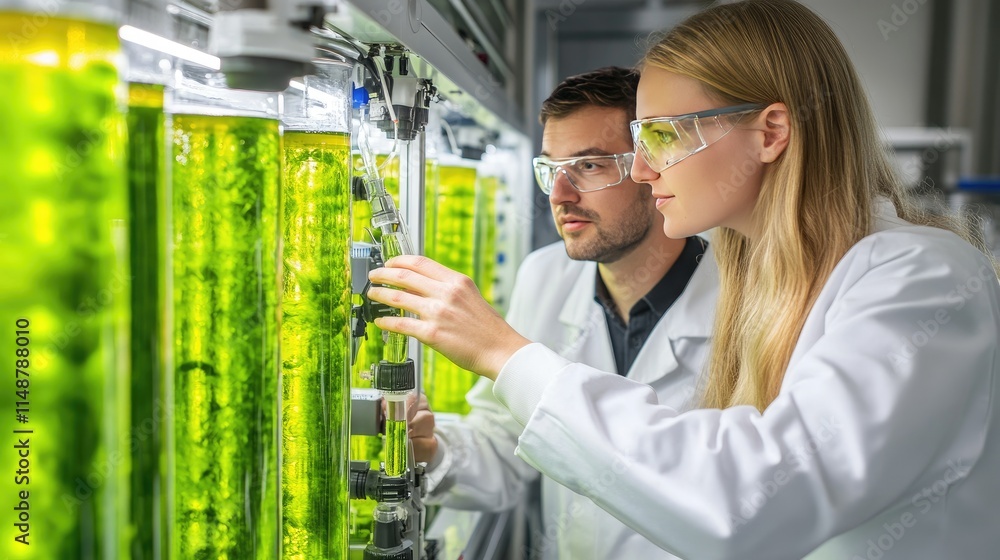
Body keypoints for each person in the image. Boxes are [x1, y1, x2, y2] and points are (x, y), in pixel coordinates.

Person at [370, 1, 1000, 558]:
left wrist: (504, 353)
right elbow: (522, 445)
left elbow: (751, 505)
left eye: (663, 136)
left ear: (771, 133)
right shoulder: (765, 277)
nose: (642, 171)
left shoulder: (924, 279)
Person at [409, 66, 717, 559]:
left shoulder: (740, 298)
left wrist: (494, 346)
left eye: (590, 166)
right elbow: (509, 442)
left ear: (651, 166)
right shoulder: (545, 275)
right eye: (551, 169)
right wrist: (432, 450)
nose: (559, 195)